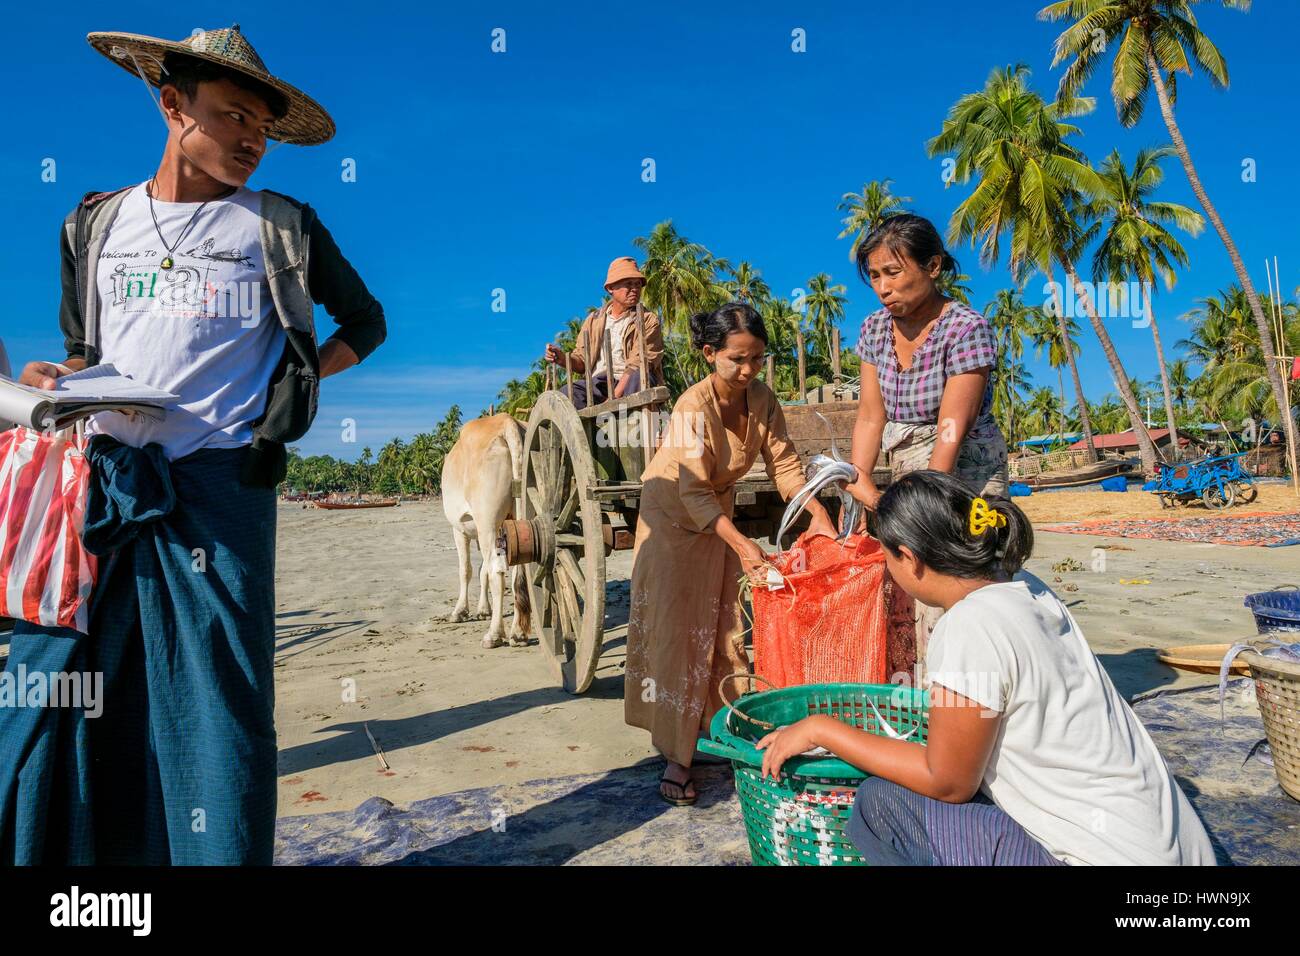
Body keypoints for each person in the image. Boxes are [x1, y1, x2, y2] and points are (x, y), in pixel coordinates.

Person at [0, 25, 385, 864]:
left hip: (221, 492)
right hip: (105, 487)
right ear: (172, 106)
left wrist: (302, 382)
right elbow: (83, 348)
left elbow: (367, 321)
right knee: (84, 686)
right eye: (234, 117)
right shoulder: (95, 226)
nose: (253, 141)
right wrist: (59, 377)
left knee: (222, 702)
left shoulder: (279, 227)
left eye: (261, 127)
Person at [756, 470, 1216, 866]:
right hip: (1172, 850)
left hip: (1097, 857)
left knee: (880, 805)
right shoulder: (1025, 587)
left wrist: (821, 729)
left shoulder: (969, 626)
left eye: (887, 556)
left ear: (910, 560)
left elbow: (948, 782)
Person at [624, 303, 837, 806]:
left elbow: (784, 465)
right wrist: (744, 545)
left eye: (758, 359)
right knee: (679, 632)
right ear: (709, 354)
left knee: (725, 627)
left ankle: (723, 727)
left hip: (714, 512)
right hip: (672, 517)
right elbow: (692, 492)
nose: (748, 371)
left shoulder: (762, 398)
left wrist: (818, 517)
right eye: (737, 359)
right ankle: (677, 756)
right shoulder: (690, 407)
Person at [842, 214, 1008, 683]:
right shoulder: (875, 330)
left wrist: (926, 499)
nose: (882, 287)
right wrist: (860, 478)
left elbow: (953, 424)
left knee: (968, 583)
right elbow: (872, 415)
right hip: (911, 467)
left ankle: (981, 699)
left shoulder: (965, 327)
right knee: (913, 588)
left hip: (966, 471)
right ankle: (931, 700)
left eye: (893, 273)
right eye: (874, 276)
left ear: (933, 265)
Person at [544, 257, 663, 409]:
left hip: (629, 382)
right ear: (610, 288)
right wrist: (561, 358)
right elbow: (582, 361)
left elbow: (638, 363)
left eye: (638, 284)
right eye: (628, 284)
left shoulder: (647, 320)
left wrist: (613, 400)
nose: (634, 289)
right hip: (598, 384)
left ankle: (628, 425)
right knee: (567, 394)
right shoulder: (593, 320)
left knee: (640, 377)